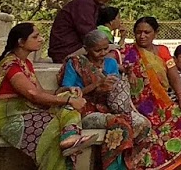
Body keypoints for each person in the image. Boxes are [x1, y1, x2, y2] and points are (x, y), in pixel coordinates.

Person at [0, 23, 88, 170]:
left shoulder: (26, 64)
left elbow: (41, 92)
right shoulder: (11, 65)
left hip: (26, 111)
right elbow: (33, 95)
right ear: (21, 42)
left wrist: (65, 91)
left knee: (70, 97)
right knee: (53, 131)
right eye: (35, 36)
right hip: (9, 116)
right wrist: (69, 100)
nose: (41, 39)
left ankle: (70, 136)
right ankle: (69, 138)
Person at [61, 28, 153, 170]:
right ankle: (113, 167)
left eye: (106, 49)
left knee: (143, 123)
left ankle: (130, 165)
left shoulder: (110, 63)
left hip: (110, 107)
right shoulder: (75, 64)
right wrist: (96, 86)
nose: (103, 53)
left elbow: (114, 91)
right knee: (120, 124)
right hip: (85, 109)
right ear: (86, 49)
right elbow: (67, 92)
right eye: (98, 50)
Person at [120, 17, 181, 170]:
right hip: (139, 107)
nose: (142, 36)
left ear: (155, 33)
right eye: (138, 32)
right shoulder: (128, 51)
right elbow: (110, 58)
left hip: (162, 103)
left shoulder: (163, 51)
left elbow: (173, 75)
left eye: (147, 32)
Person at [48, 0, 118, 63]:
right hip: (66, 53)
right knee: (115, 55)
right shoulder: (84, 4)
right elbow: (91, 37)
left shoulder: (92, 4)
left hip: (73, 49)